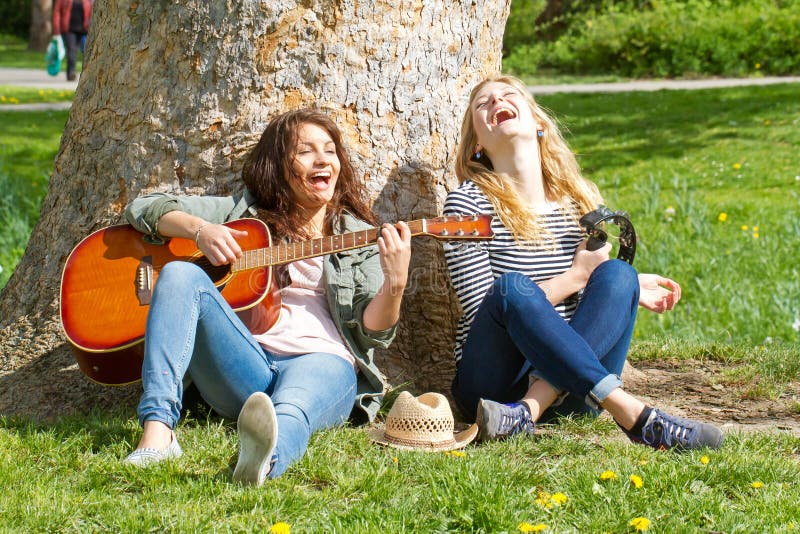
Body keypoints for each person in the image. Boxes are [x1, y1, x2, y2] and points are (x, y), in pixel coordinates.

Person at [122, 109, 412, 483]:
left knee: (292, 408)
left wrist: (395, 283)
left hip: (321, 360)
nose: (323, 160)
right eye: (306, 151)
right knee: (179, 273)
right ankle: (158, 432)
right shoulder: (243, 215)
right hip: (243, 362)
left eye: (330, 150)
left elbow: (372, 332)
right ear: (278, 164)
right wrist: (200, 231)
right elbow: (142, 208)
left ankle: (263, 461)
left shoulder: (360, 236)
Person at [442, 75, 723, 451]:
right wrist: (577, 276)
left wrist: (621, 288)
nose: (496, 101)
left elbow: (593, 276)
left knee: (619, 273)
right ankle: (636, 417)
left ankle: (528, 411)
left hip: (575, 393)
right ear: (477, 142)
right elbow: (484, 309)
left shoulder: (578, 198)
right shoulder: (467, 204)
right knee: (511, 288)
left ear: (538, 123)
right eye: (483, 103)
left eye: (508, 95)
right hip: (495, 386)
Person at [52, 0, 93, 81]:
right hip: (68, 30)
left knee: (86, 51)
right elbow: (57, 12)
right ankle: (71, 72)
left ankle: (87, 73)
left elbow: (91, 12)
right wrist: (56, 28)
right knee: (71, 50)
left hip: (83, 30)